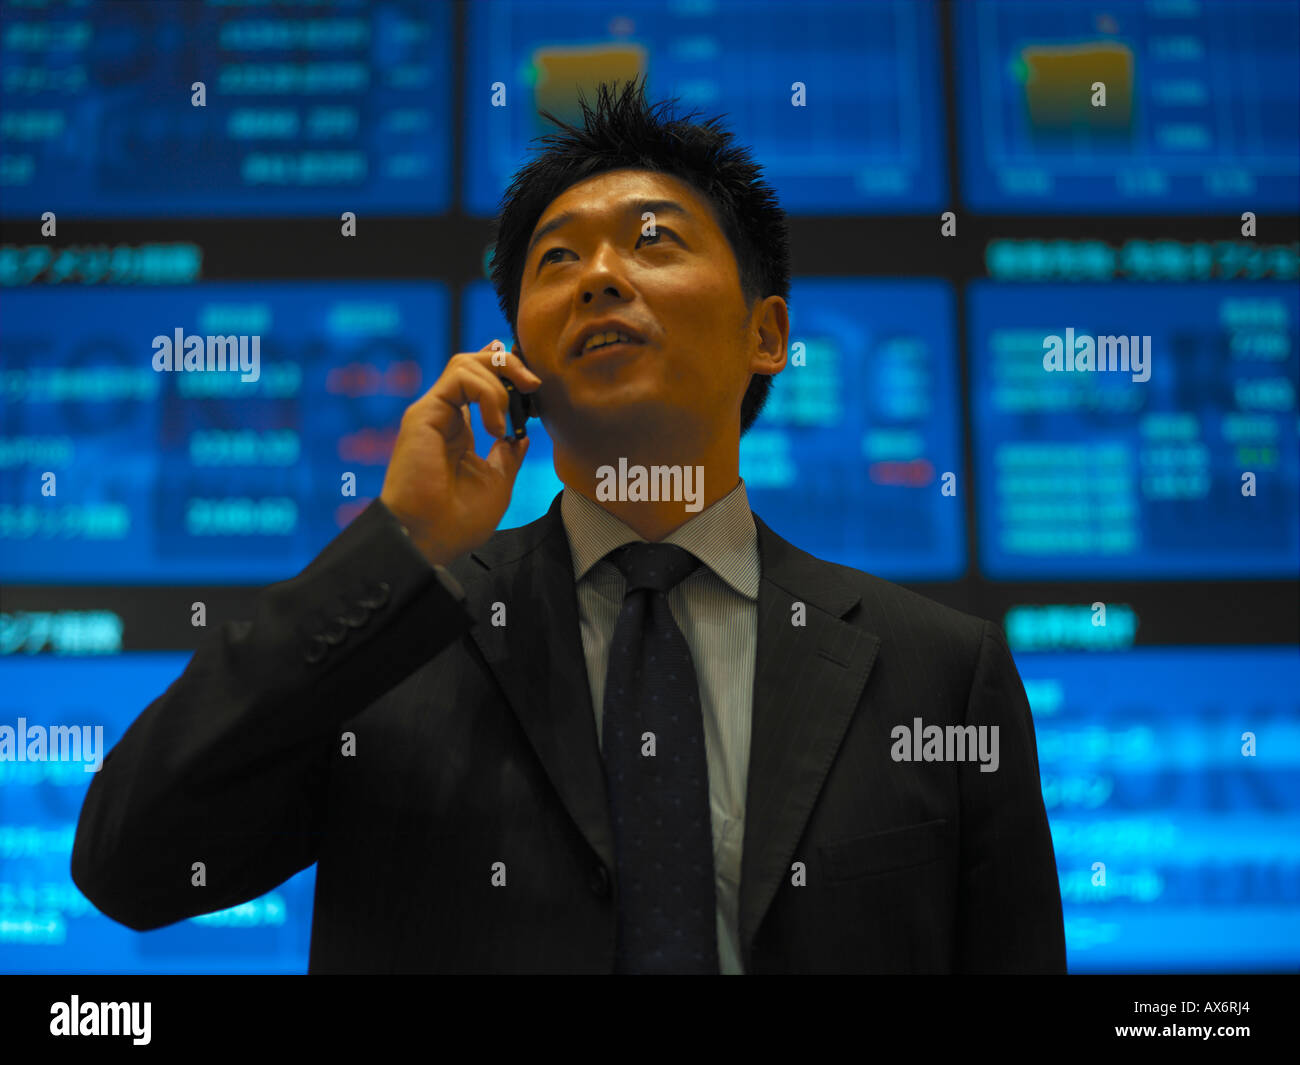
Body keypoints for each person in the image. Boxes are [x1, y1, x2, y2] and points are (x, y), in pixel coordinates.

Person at [71, 79, 1066, 974]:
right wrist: (402, 544)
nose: (598, 275)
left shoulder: (939, 669)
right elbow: (132, 865)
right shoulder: (400, 641)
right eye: (557, 259)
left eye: (652, 239)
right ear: (517, 361)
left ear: (767, 336)